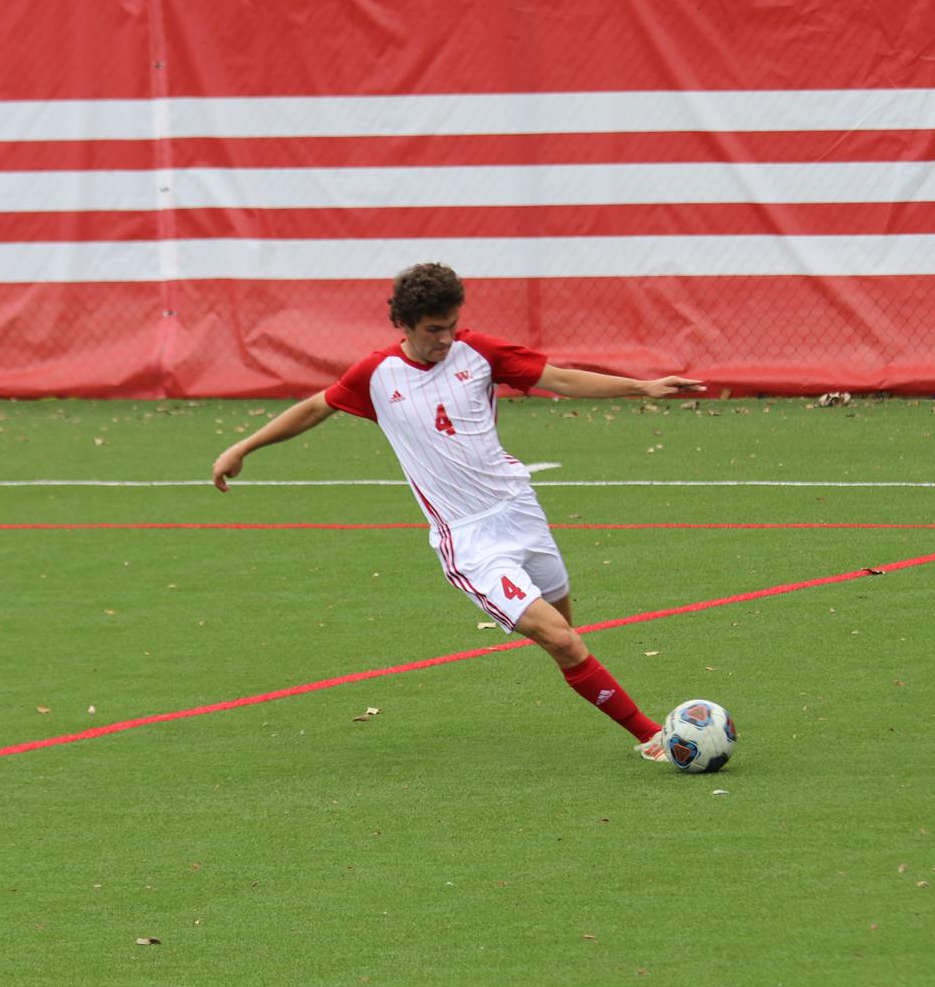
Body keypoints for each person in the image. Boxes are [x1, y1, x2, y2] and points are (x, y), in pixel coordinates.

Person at [211, 262, 703, 760]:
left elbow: (559, 378)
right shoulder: (376, 375)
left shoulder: (480, 352)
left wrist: (642, 387)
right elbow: (315, 407)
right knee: (563, 641)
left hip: (521, 511)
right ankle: (654, 738)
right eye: (433, 329)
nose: (445, 338)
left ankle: (601, 691)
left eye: (451, 325)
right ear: (403, 324)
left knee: (565, 633)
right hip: (471, 541)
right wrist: (243, 447)